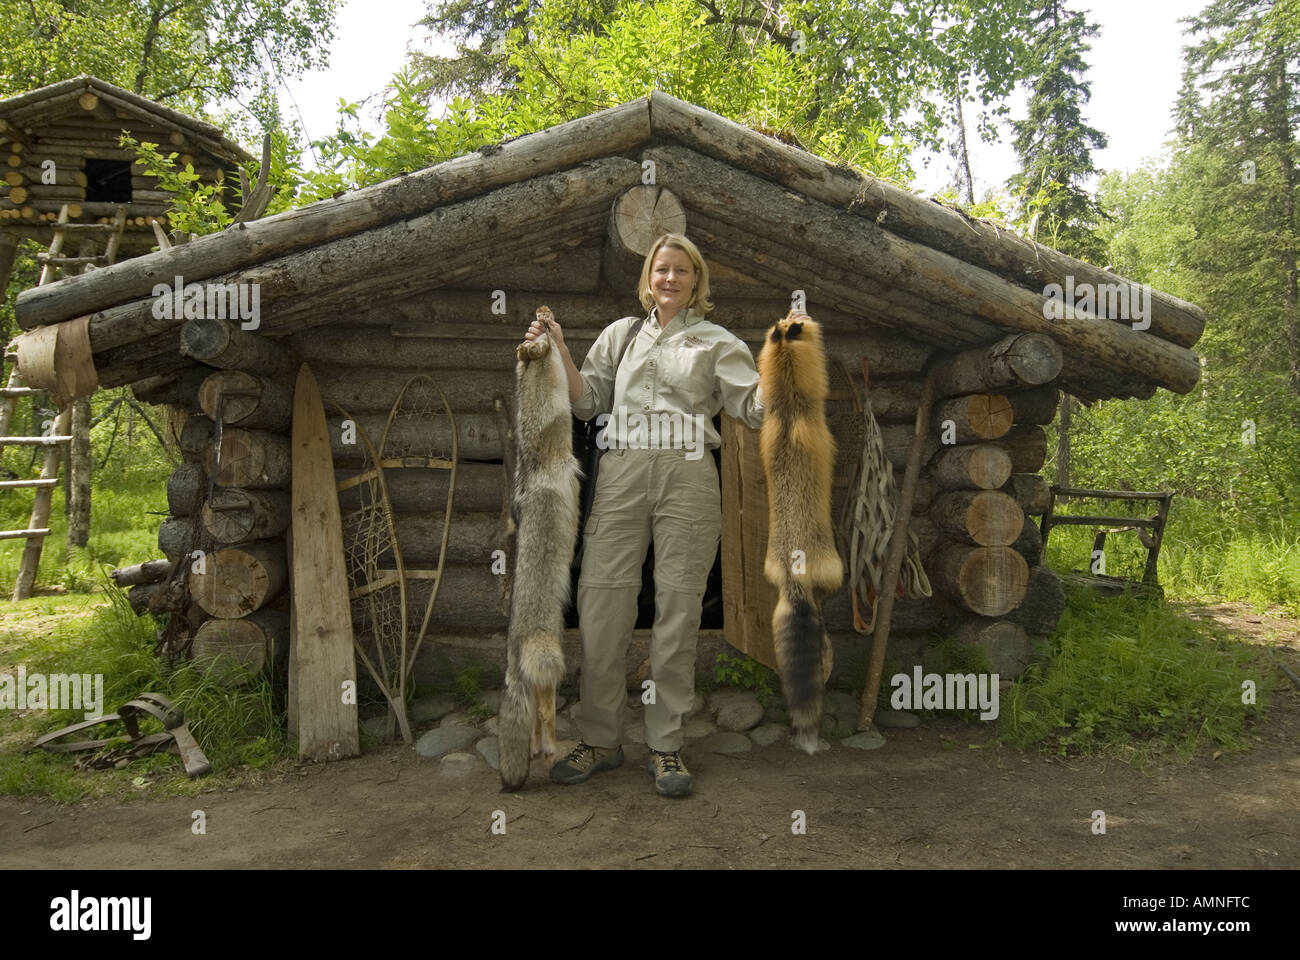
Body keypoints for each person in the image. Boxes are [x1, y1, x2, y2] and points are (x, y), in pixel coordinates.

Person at [523, 233, 765, 797]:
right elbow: (586, 401)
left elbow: (751, 407)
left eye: (682, 270)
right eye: (662, 269)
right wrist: (559, 345)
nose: (671, 278)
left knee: (679, 604)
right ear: (649, 278)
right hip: (623, 470)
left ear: (697, 280)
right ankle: (601, 740)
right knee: (602, 601)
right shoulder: (619, 335)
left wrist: (786, 372)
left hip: (688, 472)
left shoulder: (718, 342)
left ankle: (667, 746)